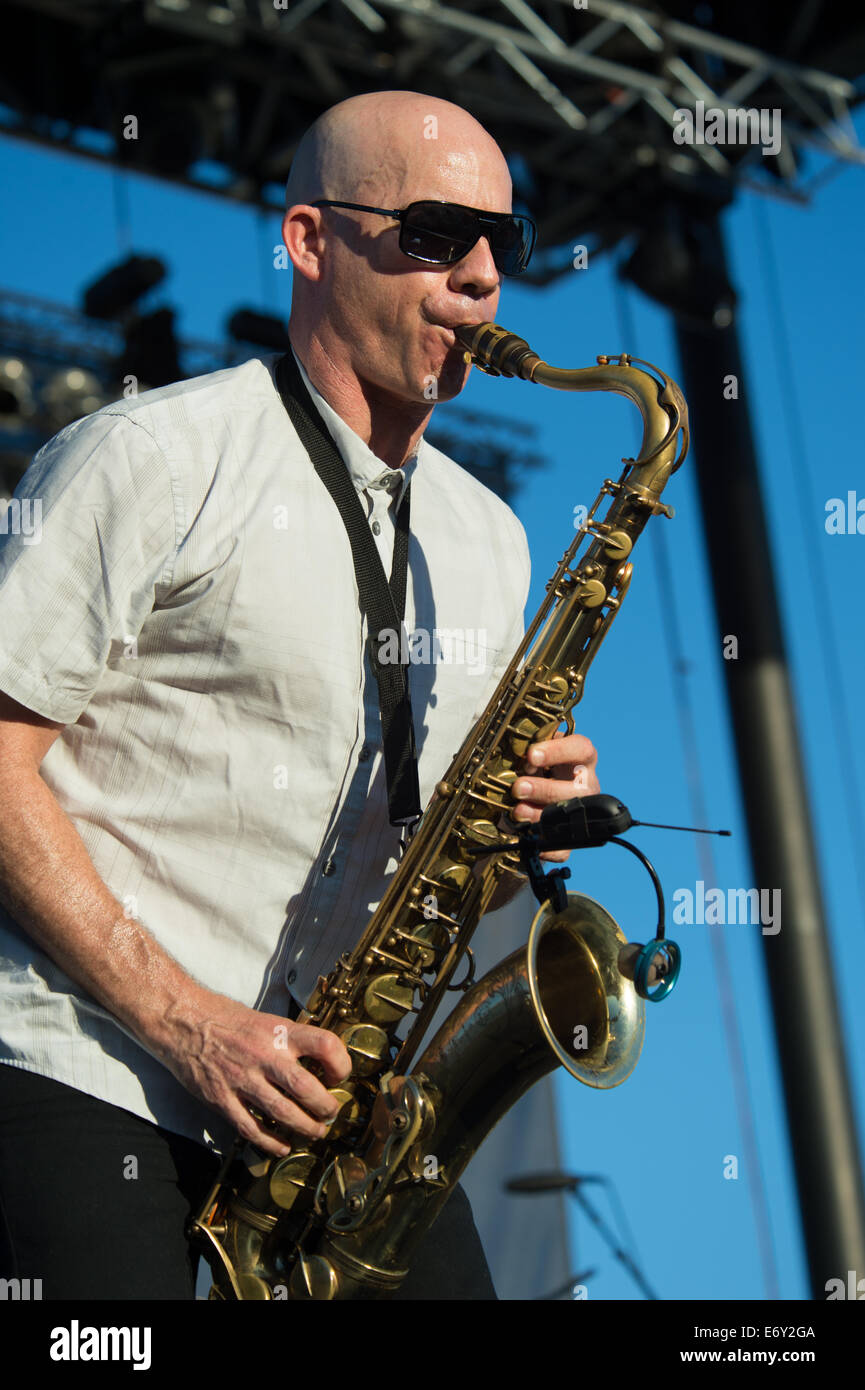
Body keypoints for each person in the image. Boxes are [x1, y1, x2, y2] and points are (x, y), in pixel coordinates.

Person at [0, 90, 600, 1300]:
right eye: (436, 232)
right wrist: (185, 1021)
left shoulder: (489, 540)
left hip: (331, 1108)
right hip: (89, 1067)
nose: (483, 276)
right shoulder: (153, 457)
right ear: (310, 241)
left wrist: (514, 824)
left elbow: (437, 864)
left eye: (505, 241)